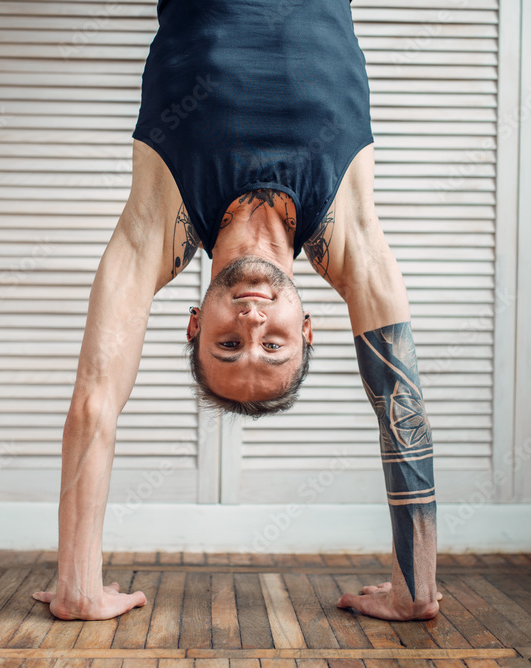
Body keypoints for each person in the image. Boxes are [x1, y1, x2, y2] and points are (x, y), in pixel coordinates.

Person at [32, 0, 440, 622]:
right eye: (273, 345)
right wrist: (416, 589)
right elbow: (401, 408)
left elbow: (94, 403)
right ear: (307, 328)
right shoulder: (349, 237)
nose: (251, 326)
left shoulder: (154, 229)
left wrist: (79, 586)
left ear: (194, 323)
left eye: (228, 345)